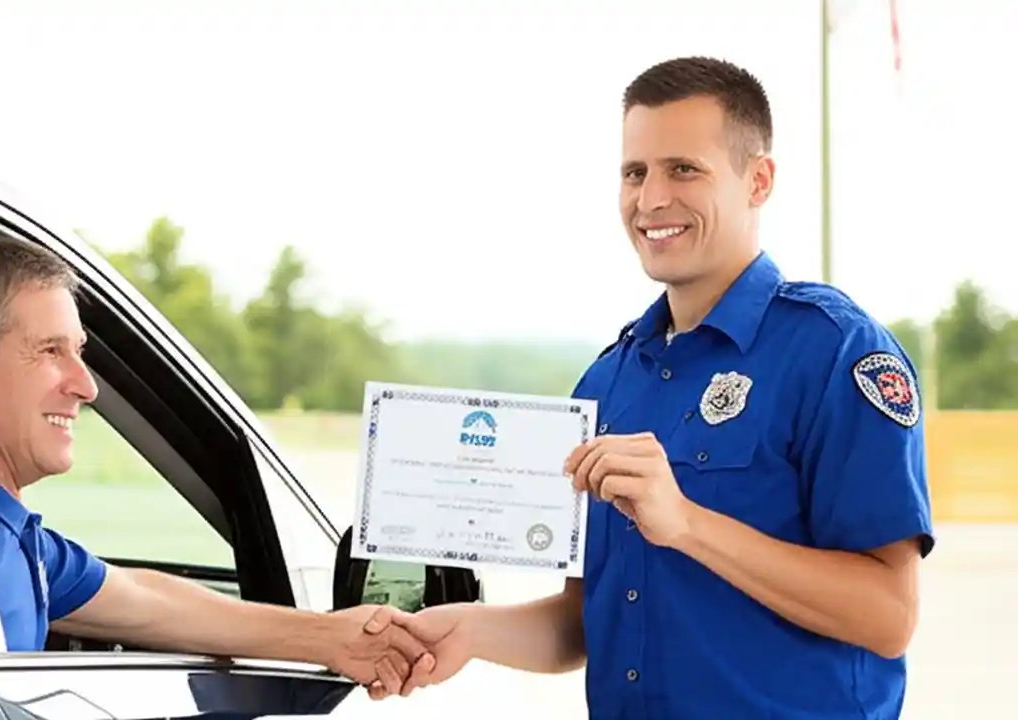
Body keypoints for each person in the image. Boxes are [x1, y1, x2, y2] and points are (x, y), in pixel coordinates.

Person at [373, 56, 934, 718]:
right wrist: (469, 630)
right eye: (634, 173)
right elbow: (585, 619)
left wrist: (689, 524)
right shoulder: (609, 380)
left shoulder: (837, 353)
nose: (651, 199)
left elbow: (889, 614)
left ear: (759, 180)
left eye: (683, 169)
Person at [0, 237, 430, 695]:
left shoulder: (1, 532)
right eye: (49, 351)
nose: (87, 386)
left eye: (78, 351)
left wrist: (334, 638)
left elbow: (144, 599)